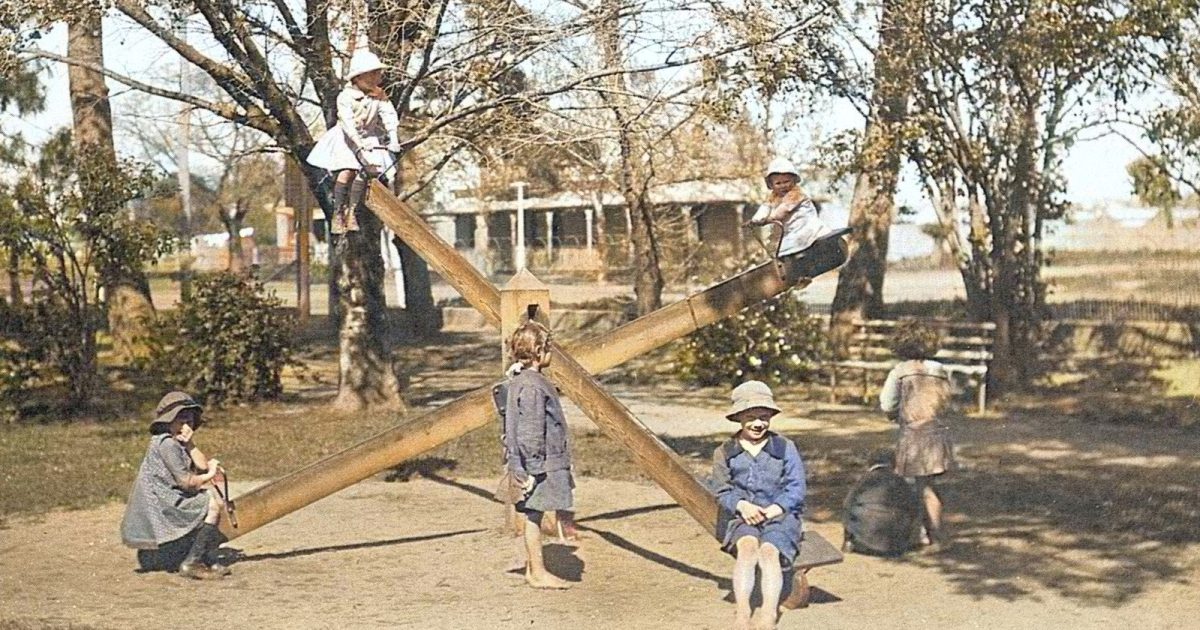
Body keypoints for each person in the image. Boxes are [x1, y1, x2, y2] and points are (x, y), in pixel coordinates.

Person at [711, 380, 806, 630]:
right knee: (747, 548)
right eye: (751, 417)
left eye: (764, 418)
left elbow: (796, 488)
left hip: (779, 514)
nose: (758, 424)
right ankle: (743, 611)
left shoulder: (784, 448)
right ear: (738, 418)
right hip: (743, 515)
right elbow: (721, 490)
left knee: (769, 552)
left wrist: (776, 509)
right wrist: (742, 505)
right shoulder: (726, 451)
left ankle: (768, 612)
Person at [120, 391, 230, 579]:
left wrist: (190, 444)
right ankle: (192, 563)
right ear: (168, 422)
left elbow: (202, 466)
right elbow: (187, 483)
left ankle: (205, 556)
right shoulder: (167, 444)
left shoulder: (176, 441)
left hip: (169, 495)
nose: (186, 427)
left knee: (211, 499)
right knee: (212, 505)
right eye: (181, 421)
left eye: (189, 421)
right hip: (163, 503)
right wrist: (211, 474)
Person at [503, 320, 575, 589]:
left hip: (532, 462)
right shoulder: (533, 386)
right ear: (538, 352)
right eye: (549, 349)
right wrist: (534, 470)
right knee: (534, 516)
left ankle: (533, 570)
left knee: (534, 514)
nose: (550, 354)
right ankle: (538, 572)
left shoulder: (521, 380)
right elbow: (531, 431)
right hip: (538, 465)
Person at [879, 320, 958, 550]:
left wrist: (895, 414)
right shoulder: (940, 370)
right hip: (937, 432)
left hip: (914, 434)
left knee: (922, 487)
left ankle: (934, 535)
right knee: (927, 483)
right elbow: (946, 400)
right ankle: (924, 530)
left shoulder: (900, 371)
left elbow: (887, 403)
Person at [306, 49, 402, 234]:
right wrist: (359, 143)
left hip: (368, 137)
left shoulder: (379, 95)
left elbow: (389, 115)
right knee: (347, 170)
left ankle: (352, 212)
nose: (376, 78)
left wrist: (393, 137)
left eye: (377, 73)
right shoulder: (345, 97)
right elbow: (347, 122)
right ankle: (338, 212)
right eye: (371, 74)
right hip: (346, 138)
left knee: (366, 172)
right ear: (358, 77)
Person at [747, 157, 849, 285]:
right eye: (778, 183)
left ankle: (805, 272)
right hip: (790, 229)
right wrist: (756, 219)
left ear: (794, 180)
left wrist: (767, 219)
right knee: (781, 250)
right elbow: (765, 207)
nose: (783, 186)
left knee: (802, 245)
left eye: (787, 181)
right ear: (771, 185)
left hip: (804, 225)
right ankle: (797, 275)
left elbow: (782, 211)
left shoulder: (795, 194)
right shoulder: (773, 196)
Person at [842, 450, 922, 556]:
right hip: (893, 543)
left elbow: (847, 504)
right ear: (893, 463)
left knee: (850, 508)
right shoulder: (900, 481)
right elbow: (914, 506)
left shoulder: (863, 480)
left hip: (864, 539)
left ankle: (849, 542)